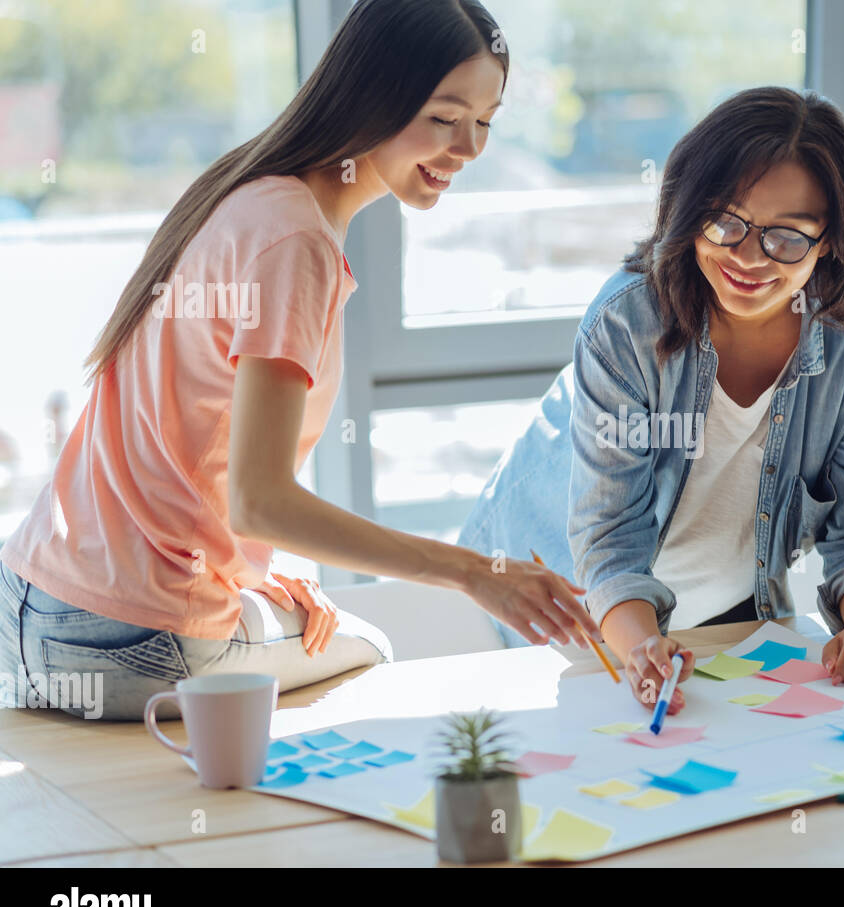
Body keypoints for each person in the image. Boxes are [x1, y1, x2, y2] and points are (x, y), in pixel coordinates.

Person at [0, 0, 600, 722]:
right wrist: (477, 574)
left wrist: (249, 581)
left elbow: (197, 463)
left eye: (485, 122)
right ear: (373, 92)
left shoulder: (249, 193)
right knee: (369, 647)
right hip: (136, 638)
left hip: (29, 609)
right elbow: (260, 500)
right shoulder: (296, 243)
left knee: (308, 618)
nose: (469, 148)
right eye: (444, 119)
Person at [458, 86, 844, 716]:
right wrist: (643, 648)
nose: (746, 258)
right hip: (569, 608)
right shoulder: (628, 324)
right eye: (724, 221)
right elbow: (610, 538)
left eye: (785, 238)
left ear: (833, 241)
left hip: (730, 615)